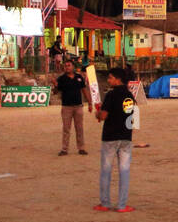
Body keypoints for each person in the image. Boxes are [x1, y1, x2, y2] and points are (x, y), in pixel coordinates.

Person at [94, 67, 136, 213]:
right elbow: (133, 119)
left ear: (118, 79)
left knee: (106, 170)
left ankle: (105, 203)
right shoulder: (130, 95)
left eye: (111, 78)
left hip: (110, 137)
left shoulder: (111, 95)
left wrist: (98, 114)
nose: (109, 80)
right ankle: (122, 205)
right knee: (124, 171)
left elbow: (103, 116)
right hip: (126, 137)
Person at [56, 58, 88, 155]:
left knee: (79, 128)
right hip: (66, 107)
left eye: (69, 65)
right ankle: (64, 149)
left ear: (73, 66)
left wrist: (90, 102)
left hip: (78, 106)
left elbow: (84, 90)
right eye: (65, 66)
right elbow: (57, 91)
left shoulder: (79, 77)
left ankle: (81, 148)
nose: (67, 67)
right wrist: (55, 85)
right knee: (66, 128)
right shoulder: (61, 79)